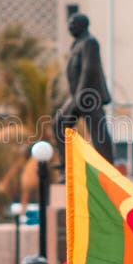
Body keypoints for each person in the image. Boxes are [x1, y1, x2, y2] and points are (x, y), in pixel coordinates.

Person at [53, 13, 114, 181]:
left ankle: (108, 169)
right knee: (59, 123)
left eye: (73, 24)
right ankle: (66, 167)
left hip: (88, 95)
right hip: (78, 95)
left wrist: (80, 95)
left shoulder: (89, 42)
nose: (70, 28)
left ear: (83, 25)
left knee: (98, 131)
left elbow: (89, 69)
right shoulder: (76, 44)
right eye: (69, 25)